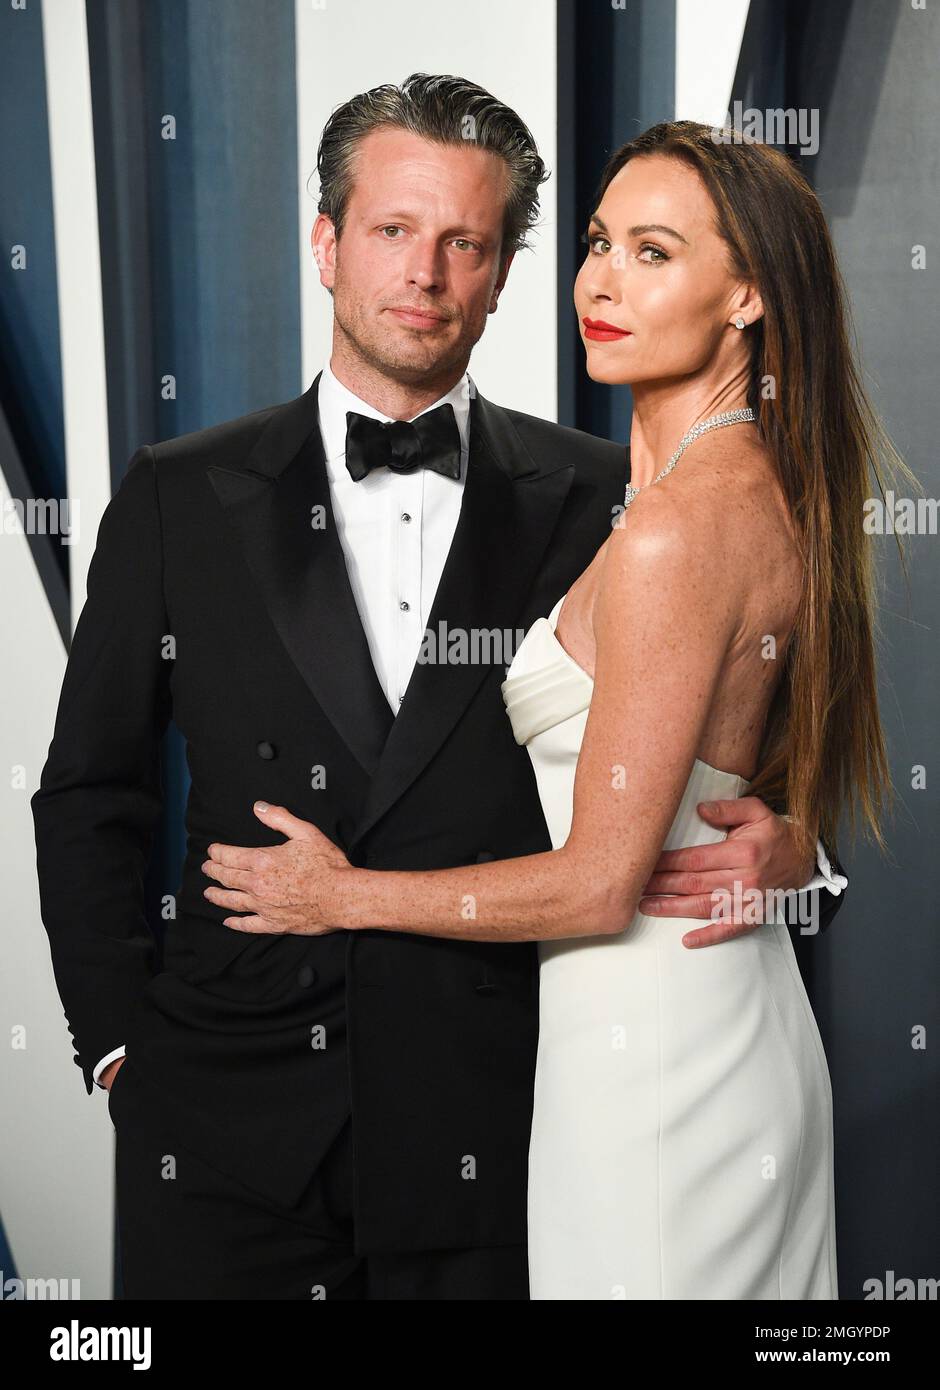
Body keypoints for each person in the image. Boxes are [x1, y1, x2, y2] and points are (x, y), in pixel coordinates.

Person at [33, 80, 844, 1301]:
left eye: (465, 242)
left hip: (503, 1136)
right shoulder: (175, 491)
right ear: (325, 243)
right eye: (392, 231)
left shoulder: (609, 499)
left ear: (504, 272)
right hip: (221, 1140)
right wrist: (119, 1056)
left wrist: (796, 847)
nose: (425, 274)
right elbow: (90, 792)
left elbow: (735, 733)